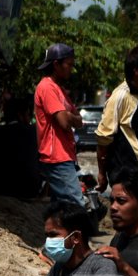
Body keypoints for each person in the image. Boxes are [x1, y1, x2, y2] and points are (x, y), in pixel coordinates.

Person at [96, 46, 138, 190]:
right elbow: (103, 138)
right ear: (136, 70)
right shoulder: (119, 96)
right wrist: (101, 173)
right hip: (127, 176)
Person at [34, 43, 84, 204]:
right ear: (56, 64)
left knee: (62, 209)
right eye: (69, 64)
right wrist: (70, 116)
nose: (71, 69)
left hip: (64, 155)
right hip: (56, 156)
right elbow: (64, 121)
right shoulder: (47, 88)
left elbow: (79, 121)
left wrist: (71, 116)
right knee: (76, 204)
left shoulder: (59, 89)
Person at [0, 96, 42, 198]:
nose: (29, 119)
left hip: (0, 187)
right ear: (20, 115)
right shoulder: (34, 132)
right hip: (28, 188)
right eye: (28, 115)